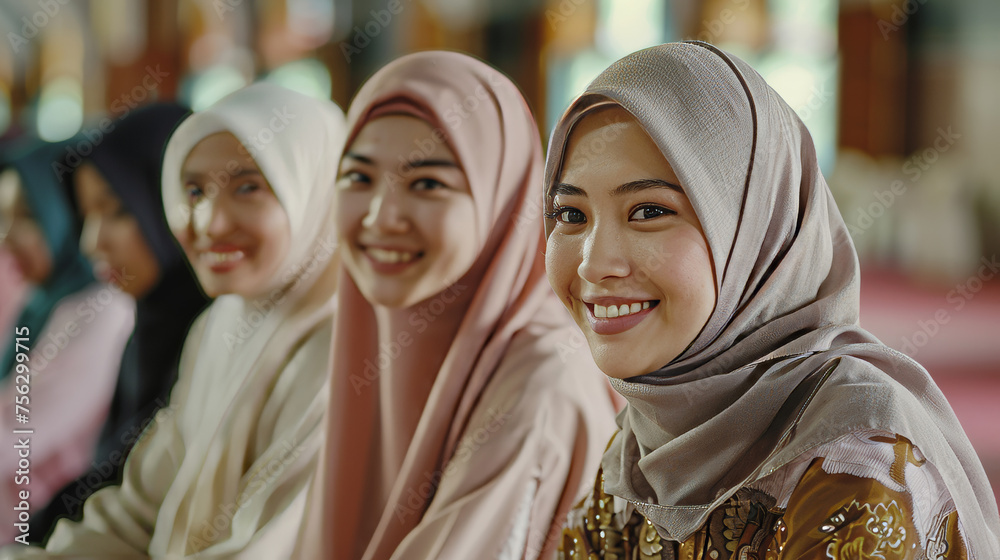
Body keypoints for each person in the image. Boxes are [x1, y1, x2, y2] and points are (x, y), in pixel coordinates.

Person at [543, 41, 1000, 559]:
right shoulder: (647, 441)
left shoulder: (856, 459)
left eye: (649, 211)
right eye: (570, 215)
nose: (593, 263)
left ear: (758, 231)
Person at [0, 82, 346, 557]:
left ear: (312, 187)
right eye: (193, 190)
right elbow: (139, 510)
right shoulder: (220, 328)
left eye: (248, 187)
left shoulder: (342, 351)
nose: (209, 222)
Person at [305, 51, 617, 560]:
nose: (381, 218)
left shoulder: (540, 381)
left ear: (502, 201)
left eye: (427, 184)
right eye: (358, 178)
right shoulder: (362, 341)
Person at [28, 103, 211, 543]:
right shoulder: (143, 324)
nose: (92, 243)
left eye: (117, 212)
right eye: (85, 215)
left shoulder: (210, 336)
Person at [0, 141, 134, 545]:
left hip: (38, 530)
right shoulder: (38, 301)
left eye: (26, 216)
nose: (6, 237)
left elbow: (19, 434)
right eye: (2, 217)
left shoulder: (103, 310)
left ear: (64, 214)